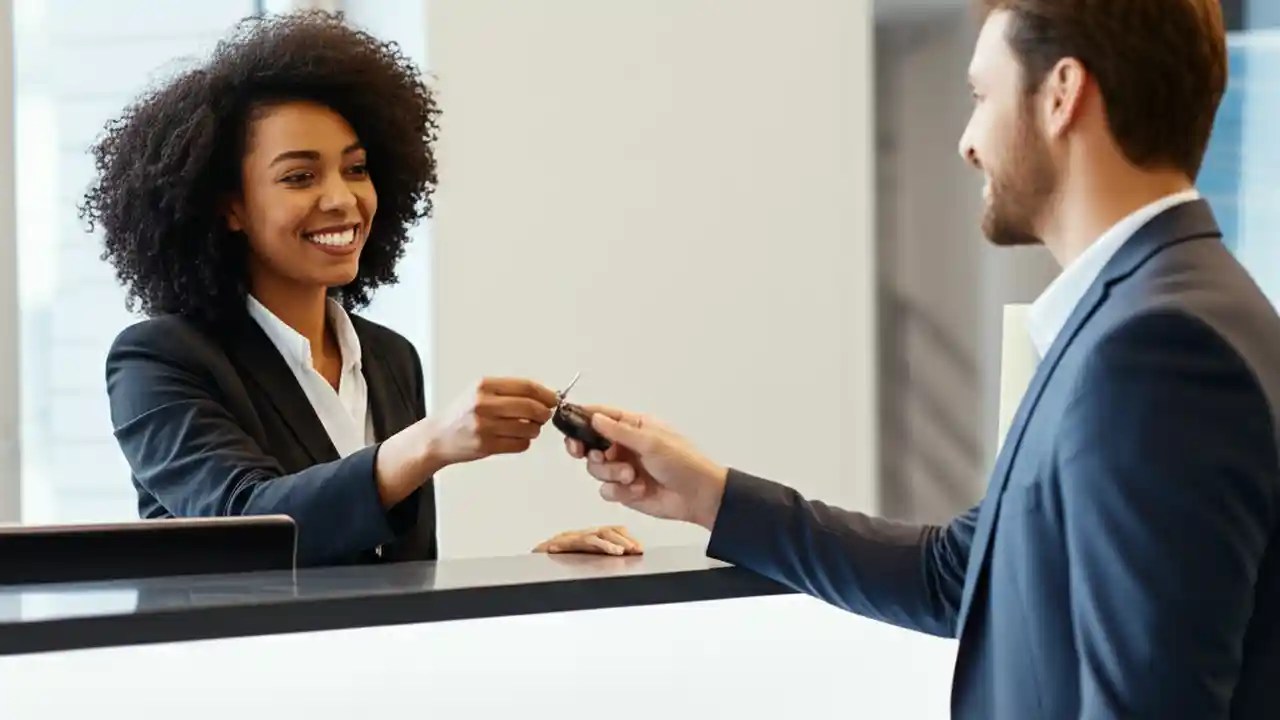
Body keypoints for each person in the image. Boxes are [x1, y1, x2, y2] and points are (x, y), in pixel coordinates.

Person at [566, 2, 1280, 718]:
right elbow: (957, 575)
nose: (968, 142)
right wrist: (709, 495)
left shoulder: (1155, 350)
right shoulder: (1156, 316)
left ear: (1062, 94)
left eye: (980, 96)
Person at [81, 11, 641, 567]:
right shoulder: (159, 359)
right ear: (230, 206)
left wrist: (532, 566)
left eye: (356, 169)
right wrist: (429, 444)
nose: (342, 199)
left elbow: (399, 574)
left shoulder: (390, 358)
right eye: (300, 177)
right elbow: (249, 524)